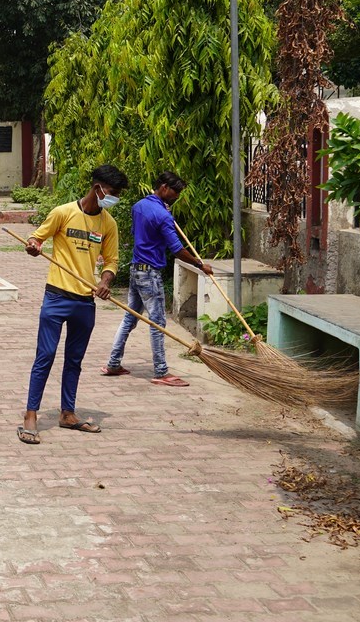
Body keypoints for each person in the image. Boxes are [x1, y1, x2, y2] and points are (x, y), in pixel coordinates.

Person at [18, 164, 127, 445]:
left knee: (74, 360)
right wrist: (33, 246)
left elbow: (112, 261)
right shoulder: (63, 212)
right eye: (111, 193)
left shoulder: (108, 224)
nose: (113, 198)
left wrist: (105, 281)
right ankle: (31, 414)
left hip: (85, 301)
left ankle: (67, 413)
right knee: (45, 356)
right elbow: (36, 239)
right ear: (98, 188)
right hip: (56, 296)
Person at [104, 172, 214, 387]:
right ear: (164, 188)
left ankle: (113, 363)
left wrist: (165, 213)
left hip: (136, 269)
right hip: (150, 274)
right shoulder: (163, 216)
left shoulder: (139, 206)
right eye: (175, 192)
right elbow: (177, 250)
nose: (177, 196)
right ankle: (161, 372)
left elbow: (144, 233)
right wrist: (200, 265)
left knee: (130, 318)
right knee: (158, 323)